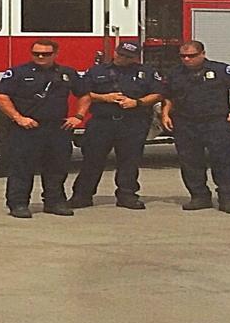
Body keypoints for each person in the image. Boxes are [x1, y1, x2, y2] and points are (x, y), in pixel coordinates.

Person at [67, 42, 165, 210]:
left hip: (133, 122)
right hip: (102, 122)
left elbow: (158, 93)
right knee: (92, 160)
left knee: (129, 161)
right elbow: (84, 93)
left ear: (134, 57)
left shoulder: (146, 72)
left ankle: (127, 195)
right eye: (120, 54)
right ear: (115, 52)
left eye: (127, 56)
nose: (122, 59)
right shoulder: (97, 71)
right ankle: (82, 196)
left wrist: (137, 102)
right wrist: (106, 98)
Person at [0, 39, 83, 218]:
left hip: (58, 128)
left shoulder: (67, 73)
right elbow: (0, 96)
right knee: (22, 168)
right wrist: (19, 118)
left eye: (46, 54)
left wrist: (78, 116)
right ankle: (18, 204)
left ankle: (54, 202)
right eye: (37, 54)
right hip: (28, 128)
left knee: (57, 167)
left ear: (55, 54)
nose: (41, 57)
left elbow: (85, 95)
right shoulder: (18, 73)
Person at [160, 40, 230, 214]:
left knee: (223, 161)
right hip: (186, 123)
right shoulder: (175, 73)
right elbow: (169, 96)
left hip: (215, 122)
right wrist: (165, 114)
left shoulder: (220, 70)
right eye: (183, 56)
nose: (187, 59)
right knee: (190, 161)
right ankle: (199, 196)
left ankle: (228, 198)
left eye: (191, 56)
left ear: (202, 54)